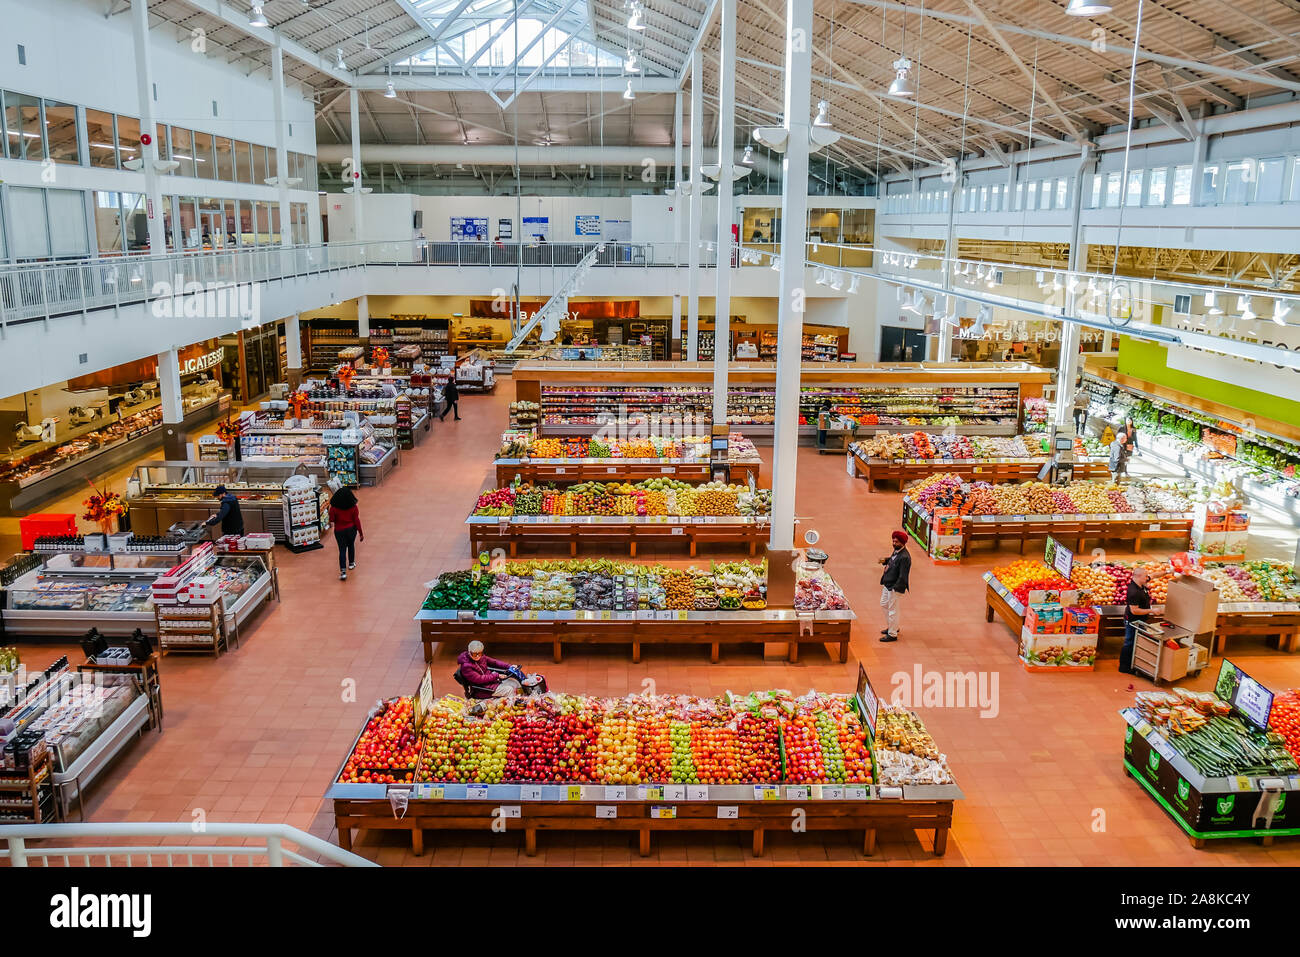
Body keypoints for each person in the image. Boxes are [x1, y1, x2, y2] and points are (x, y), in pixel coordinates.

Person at [1120, 567, 1163, 675]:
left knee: (1136, 641)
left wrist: (1168, 572)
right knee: (1129, 643)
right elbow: (1134, 611)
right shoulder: (1133, 592)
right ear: (1139, 577)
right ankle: (1124, 667)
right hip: (1133, 622)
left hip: (1140, 621)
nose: (1147, 578)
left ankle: (1134, 664)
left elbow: (1153, 575)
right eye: (1145, 576)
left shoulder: (1140, 583)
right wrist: (1152, 611)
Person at [456, 641, 524, 698]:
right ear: (469, 652)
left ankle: (520, 700)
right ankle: (511, 706)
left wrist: (509, 666)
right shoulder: (466, 666)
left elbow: (495, 662)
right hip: (481, 689)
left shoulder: (482, 657)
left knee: (515, 683)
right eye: (474, 654)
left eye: (479, 653)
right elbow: (479, 679)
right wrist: (496, 675)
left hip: (492, 681)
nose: (477, 656)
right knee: (509, 690)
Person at [878, 530, 911, 643]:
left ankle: (892, 634)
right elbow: (893, 560)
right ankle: (893, 626)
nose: (893, 543)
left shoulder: (905, 557)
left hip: (894, 587)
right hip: (887, 584)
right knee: (883, 604)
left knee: (893, 610)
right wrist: (886, 561)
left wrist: (895, 588)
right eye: (893, 541)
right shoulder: (897, 551)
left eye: (896, 542)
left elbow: (903, 576)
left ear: (902, 543)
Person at [329, 486, 364, 581]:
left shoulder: (333, 508)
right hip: (351, 529)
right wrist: (360, 533)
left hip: (339, 531)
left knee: (342, 550)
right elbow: (356, 520)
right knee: (351, 545)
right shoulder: (353, 507)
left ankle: (343, 572)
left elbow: (332, 521)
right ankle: (351, 563)